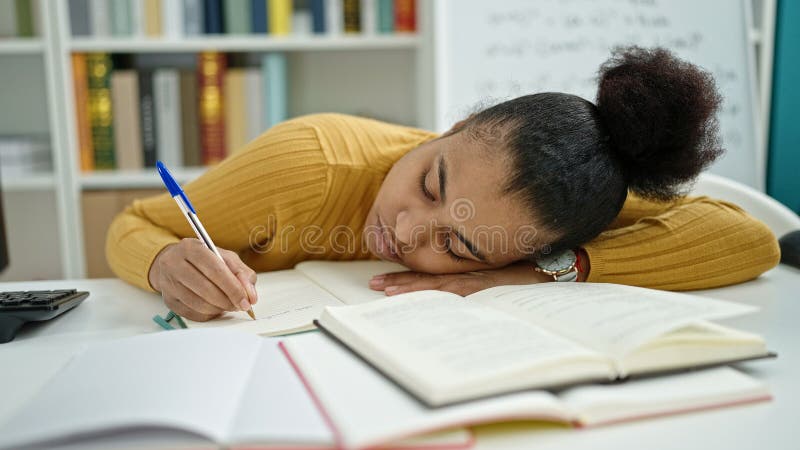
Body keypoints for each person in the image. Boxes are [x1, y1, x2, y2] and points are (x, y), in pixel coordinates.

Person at [106, 47, 780, 322]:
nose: (403, 230)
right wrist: (166, 262)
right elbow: (134, 221)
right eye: (431, 184)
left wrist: (548, 272)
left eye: (457, 247)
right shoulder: (307, 167)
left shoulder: (573, 191)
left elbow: (746, 238)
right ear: (455, 126)